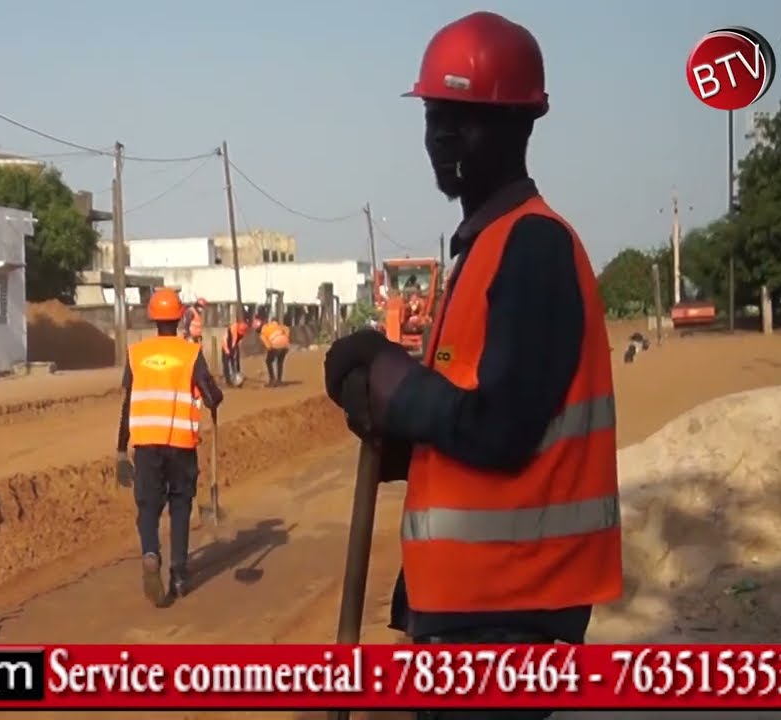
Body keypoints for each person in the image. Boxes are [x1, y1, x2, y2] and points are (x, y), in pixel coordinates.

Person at [323, 12, 622, 720]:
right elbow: (458, 429)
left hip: (511, 616)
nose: (443, 138)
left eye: (466, 118)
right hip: (474, 609)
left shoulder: (534, 248)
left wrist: (388, 374)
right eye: (435, 116)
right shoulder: (481, 251)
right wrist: (384, 411)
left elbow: (499, 429)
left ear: (522, 125)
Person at [116, 288, 224, 607]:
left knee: (148, 508)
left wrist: (121, 450)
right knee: (180, 506)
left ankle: (151, 553)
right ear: (179, 317)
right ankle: (179, 573)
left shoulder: (136, 354)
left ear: (152, 317)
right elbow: (210, 395)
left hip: (146, 444)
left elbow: (127, 405)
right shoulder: (190, 353)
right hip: (180, 444)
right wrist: (215, 397)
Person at [258, 316, 291, 387]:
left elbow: (265, 340)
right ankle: (279, 381)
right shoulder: (279, 326)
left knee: (268, 361)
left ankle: (272, 380)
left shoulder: (264, 329)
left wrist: (270, 347)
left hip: (276, 344)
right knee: (280, 362)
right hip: (285, 345)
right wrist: (286, 340)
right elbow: (287, 330)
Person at [220, 318, 250, 387]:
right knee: (226, 364)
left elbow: (237, 341)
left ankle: (237, 378)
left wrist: (235, 349)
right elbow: (225, 340)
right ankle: (228, 381)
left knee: (235, 363)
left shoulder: (243, 330)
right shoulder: (232, 329)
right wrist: (227, 350)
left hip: (234, 346)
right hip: (226, 345)